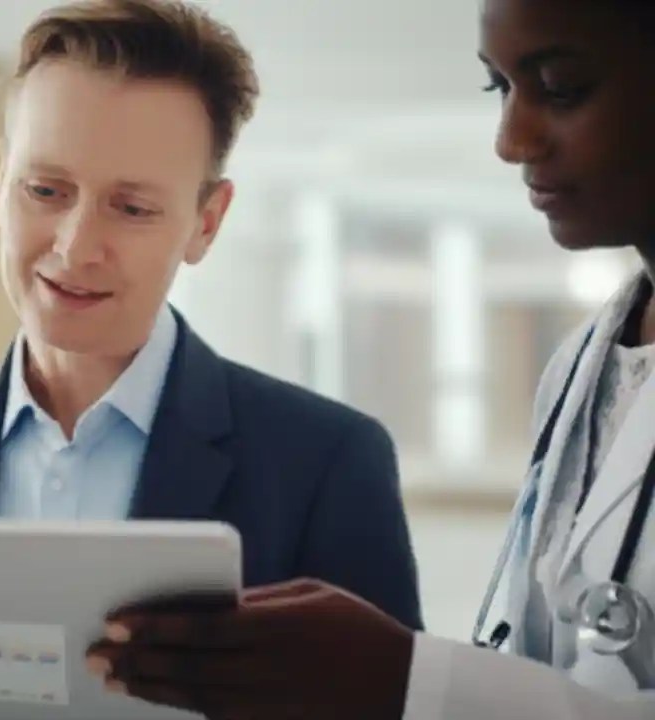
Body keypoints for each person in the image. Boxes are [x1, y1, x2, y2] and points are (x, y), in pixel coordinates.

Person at [84, 0, 655, 718]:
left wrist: (407, 679)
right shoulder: (584, 364)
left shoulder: (331, 449)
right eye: (500, 89)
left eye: (563, 88)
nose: (510, 141)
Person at [0, 0, 422, 630]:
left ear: (206, 223)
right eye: (44, 191)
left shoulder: (326, 466)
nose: (75, 247)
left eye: (132, 208)